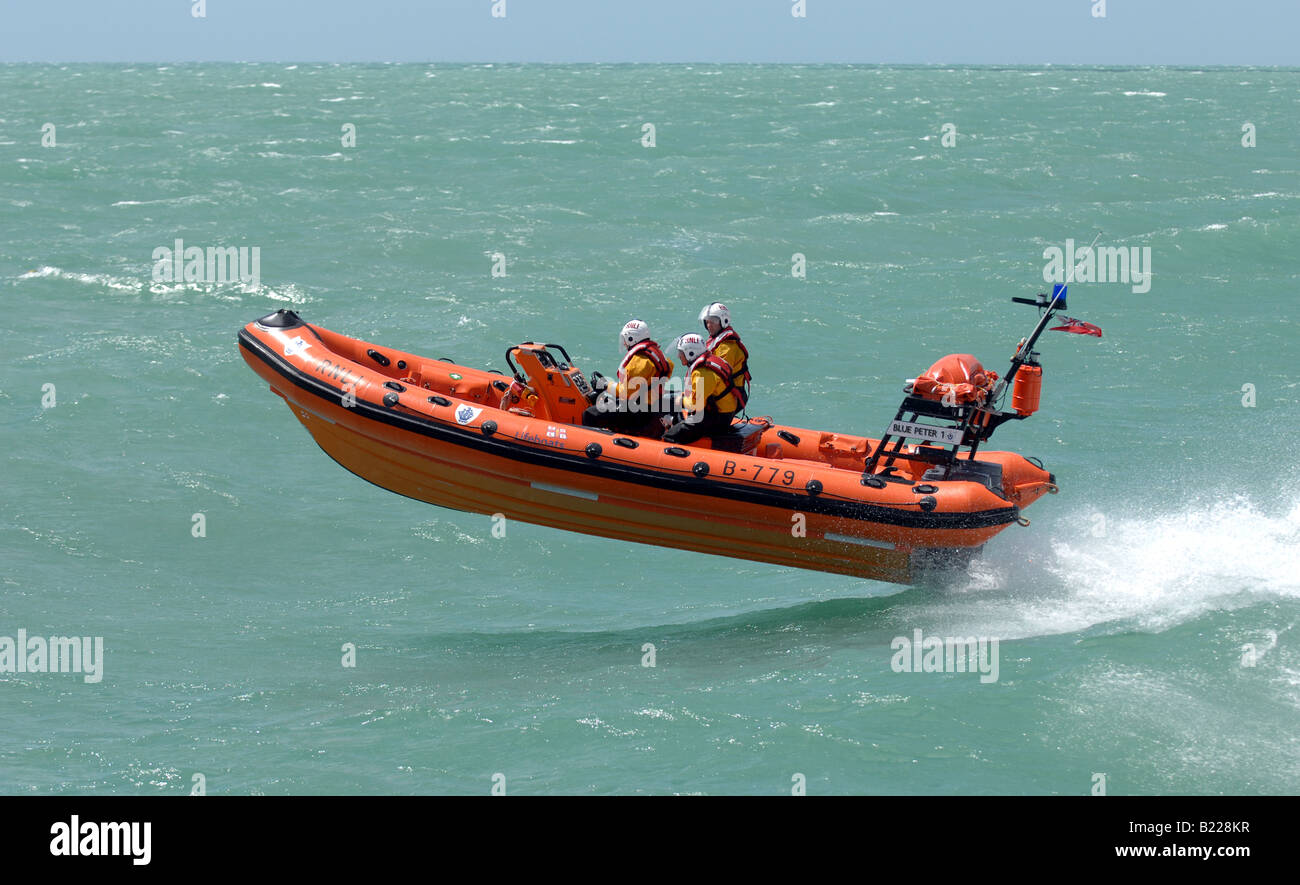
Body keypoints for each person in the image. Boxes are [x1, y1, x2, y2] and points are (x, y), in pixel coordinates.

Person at [581, 319, 673, 436]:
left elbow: (625, 392)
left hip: (638, 411)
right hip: (651, 406)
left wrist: (605, 385)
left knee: (590, 414)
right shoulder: (658, 356)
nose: (624, 343)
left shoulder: (639, 362)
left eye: (625, 339)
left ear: (631, 339)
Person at [662, 332, 740, 445]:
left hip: (716, 419)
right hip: (718, 413)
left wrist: (681, 399)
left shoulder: (702, 373)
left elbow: (695, 404)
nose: (679, 356)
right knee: (672, 397)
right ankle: (677, 423)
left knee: (670, 436)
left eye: (681, 352)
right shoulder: (707, 363)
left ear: (690, 353)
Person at [698, 302, 751, 414]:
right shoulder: (716, 341)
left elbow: (718, 376)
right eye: (707, 321)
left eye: (713, 321)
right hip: (723, 394)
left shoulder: (727, 347)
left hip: (730, 397)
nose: (709, 325)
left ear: (724, 321)